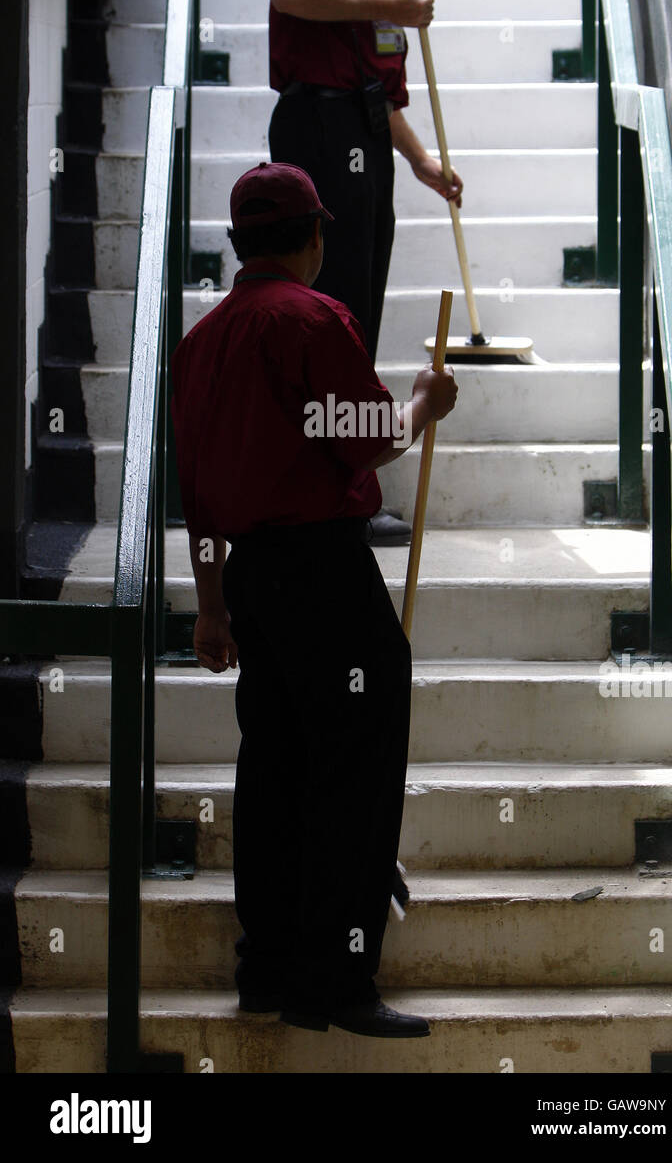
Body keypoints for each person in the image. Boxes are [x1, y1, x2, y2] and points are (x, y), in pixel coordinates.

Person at [169, 161, 457, 1039]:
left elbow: (200, 493)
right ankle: (334, 982)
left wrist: (211, 606)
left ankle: (268, 970)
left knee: (274, 767)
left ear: (239, 242)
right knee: (354, 769)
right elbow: (366, 443)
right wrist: (420, 403)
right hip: (323, 574)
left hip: (250, 579)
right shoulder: (312, 319)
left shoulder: (201, 342)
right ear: (313, 238)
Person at [268, 0, 464, 541]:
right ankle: (326, 488)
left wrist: (416, 159)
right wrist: (390, 7)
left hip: (358, 127)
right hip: (322, 126)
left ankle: (342, 485)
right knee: (329, 309)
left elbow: (374, 86)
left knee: (350, 310)